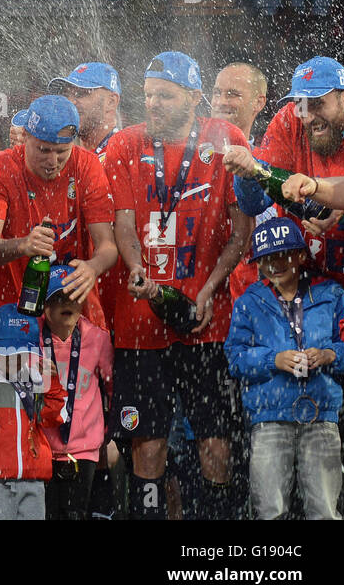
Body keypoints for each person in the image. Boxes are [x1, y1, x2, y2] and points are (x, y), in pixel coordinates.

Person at [104, 51, 252, 520]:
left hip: (207, 321)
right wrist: (135, 269)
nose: (153, 104)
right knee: (148, 445)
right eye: (147, 95)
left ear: (192, 97)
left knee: (215, 443)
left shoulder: (224, 139)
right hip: (140, 323)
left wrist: (209, 289)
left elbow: (241, 230)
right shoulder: (126, 144)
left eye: (164, 95)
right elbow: (124, 223)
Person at [223, 56, 344, 509]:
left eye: (318, 104)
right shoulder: (289, 121)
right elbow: (258, 191)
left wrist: (327, 194)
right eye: (302, 105)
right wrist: (249, 173)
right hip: (308, 285)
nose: (308, 114)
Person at [225, 215, 344, 519]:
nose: (275, 264)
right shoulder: (248, 302)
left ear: (300, 255)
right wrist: (273, 360)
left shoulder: (331, 294)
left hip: (321, 416)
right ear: (257, 263)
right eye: (266, 258)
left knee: (324, 509)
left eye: (283, 254)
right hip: (268, 419)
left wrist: (329, 355)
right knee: (270, 511)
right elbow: (234, 358)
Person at [0, 94, 117, 330]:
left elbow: (108, 246)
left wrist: (93, 267)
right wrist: (23, 245)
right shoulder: (0, 167)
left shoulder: (87, 166)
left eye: (61, 151)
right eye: (44, 150)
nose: (53, 161)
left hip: (77, 316)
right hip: (15, 319)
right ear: (24, 136)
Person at [0, 304, 64, 520]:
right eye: (10, 351)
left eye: (23, 352)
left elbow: (50, 416)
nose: (17, 358)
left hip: (34, 477)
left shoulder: (34, 377)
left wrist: (52, 383)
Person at [39, 264, 113, 520]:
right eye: (57, 298)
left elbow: (111, 387)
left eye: (72, 295)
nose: (66, 302)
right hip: (42, 449)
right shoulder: (33, 340)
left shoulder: (97, 338)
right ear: (44, 306)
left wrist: (108, 436)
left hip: (83, 450)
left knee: (77, 514)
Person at [48, 62, 122, 155]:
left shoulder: (126, 154)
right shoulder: (59, 153)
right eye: (66, 95)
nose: (70, 102)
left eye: (81, 93)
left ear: (111, 102)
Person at [212, 62, 268, 145]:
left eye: (232, 94)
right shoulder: (189, 147)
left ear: (258, 103)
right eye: (217, 93)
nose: (221, 102)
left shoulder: (263, 157)